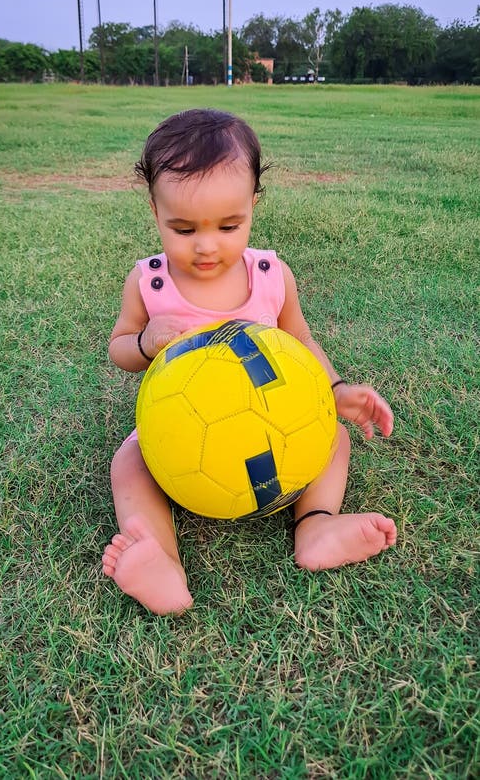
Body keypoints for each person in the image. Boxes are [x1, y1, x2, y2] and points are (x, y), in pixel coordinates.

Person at [102, 109, 397, 615]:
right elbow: (119, 348)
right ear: (155, 211)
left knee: (335, 435)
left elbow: (299, 338)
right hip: (181, 440)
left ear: (253, 206)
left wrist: (334, 389)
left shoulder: (270, 274)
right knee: (129, 461)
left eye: (228, 224)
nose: (206, 244)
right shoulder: (149, 282)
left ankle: (316, 525)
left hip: (277, 433)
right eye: (183, 227)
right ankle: (163, 562)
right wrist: (147, 340)